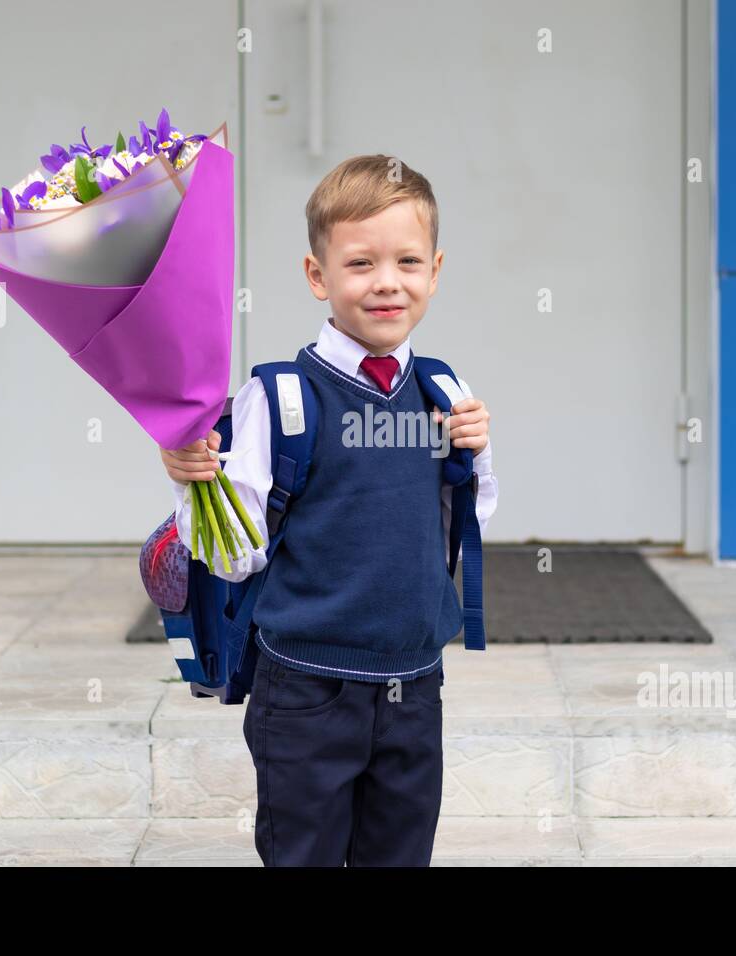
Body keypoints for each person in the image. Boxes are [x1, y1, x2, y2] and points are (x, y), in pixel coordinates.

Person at [159, 154, 498, 866]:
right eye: (360, 263)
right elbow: (232, 553)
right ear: (319, 276)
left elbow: (462, 525)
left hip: (414, 686)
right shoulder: (280, 400)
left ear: (435, 271)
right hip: (307, 690)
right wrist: (197, 481)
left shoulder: (443, 391)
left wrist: (474, 456)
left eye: (407, 261)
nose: (386, 282)